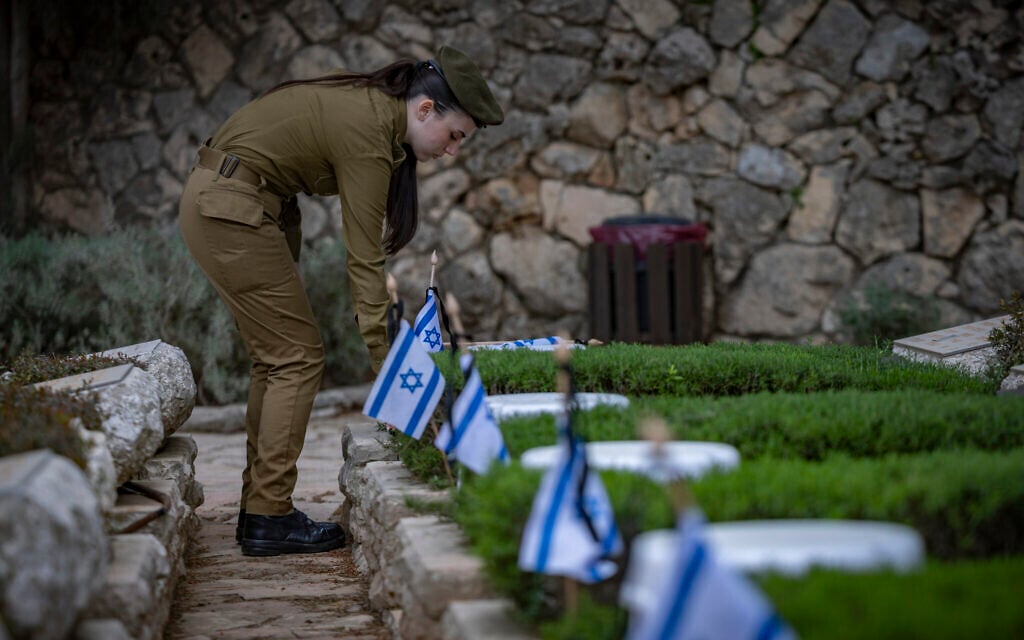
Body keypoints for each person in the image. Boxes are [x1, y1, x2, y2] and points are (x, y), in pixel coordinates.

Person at [178, 46, 503, 557]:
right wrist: (390, 369)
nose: (452, 150)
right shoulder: (370, 131)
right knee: (297, 357)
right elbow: (364, 258)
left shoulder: (374, 112)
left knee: (278, 358)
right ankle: (268, 515)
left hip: (232, 202)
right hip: (231, 207)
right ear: (424, 110)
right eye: (455, 135)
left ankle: (260, 508)